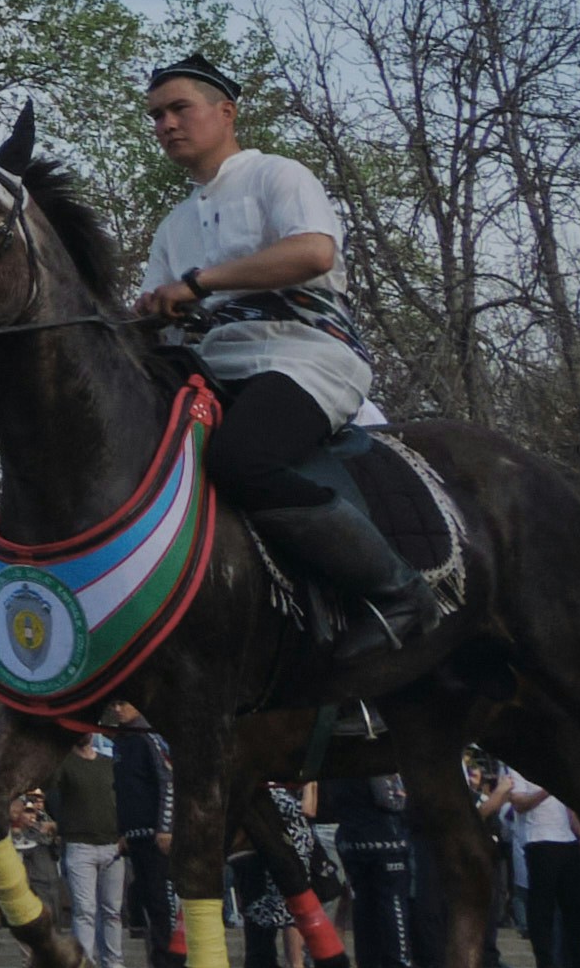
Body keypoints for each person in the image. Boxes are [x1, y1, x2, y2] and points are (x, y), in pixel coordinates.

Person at [126, 58, 434, 654]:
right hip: (214, 371)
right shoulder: (173, 225)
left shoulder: (277, 176)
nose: (165, 124)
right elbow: (166, 317)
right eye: (156, 116)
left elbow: (314, 253)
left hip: (305, 357)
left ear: (227, 112)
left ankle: (399, 593)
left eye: (178, 108)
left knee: (241, 460)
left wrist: (197, 285)